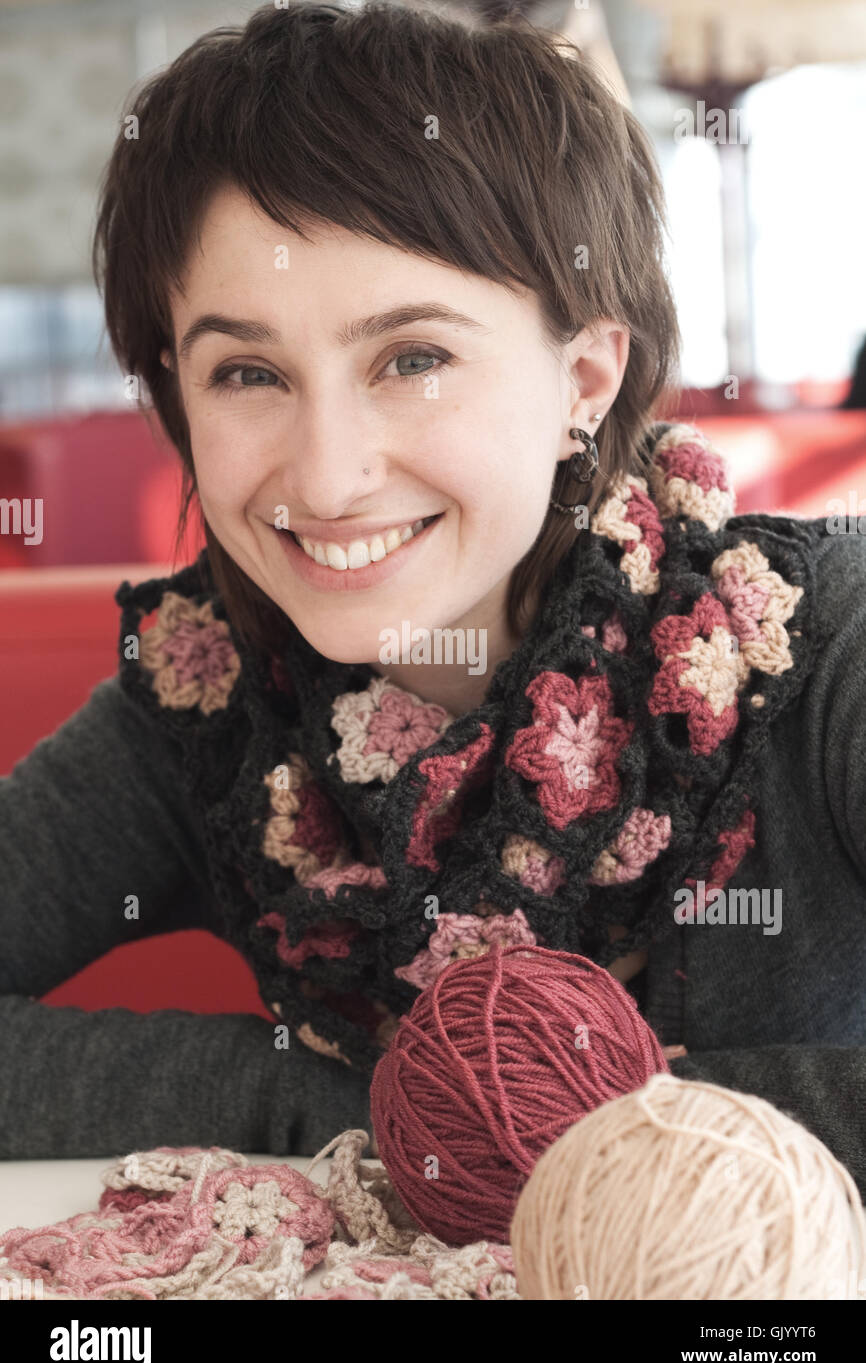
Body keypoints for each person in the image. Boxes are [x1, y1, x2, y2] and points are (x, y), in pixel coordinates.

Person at [2, 3, 865, 1204]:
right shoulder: (209, 703)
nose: (325, 474)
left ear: (582, 377)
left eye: (412, 358)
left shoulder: (822, 646)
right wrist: (348, 1103)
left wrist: (605, 1127)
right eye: (247, 372)